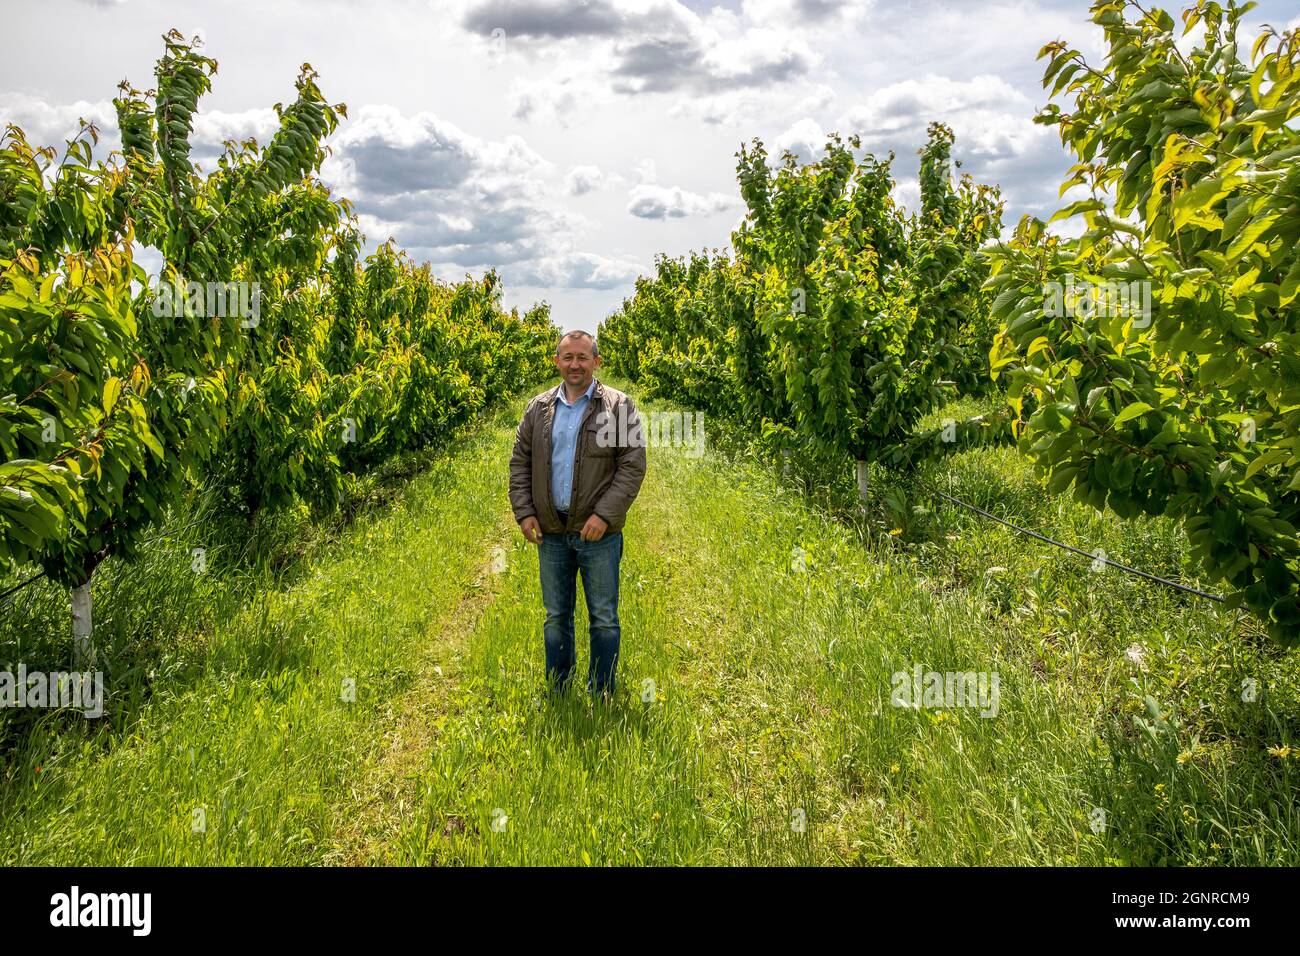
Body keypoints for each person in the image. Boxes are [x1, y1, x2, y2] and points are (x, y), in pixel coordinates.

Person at [508, 329, 647, 699]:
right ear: (556, 361)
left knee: (603, 619)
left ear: (596, 363)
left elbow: (631, 466)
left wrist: (604, 515)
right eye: (567, 357)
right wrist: (525, 513)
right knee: (556, 617)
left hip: (597, 534)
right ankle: (558, 688)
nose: (575, 364)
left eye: (583, 357)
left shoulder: (618, 407)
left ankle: (601, 690)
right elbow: (520, 463)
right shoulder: (538, 409)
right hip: (551, 531)